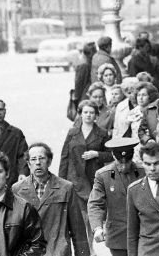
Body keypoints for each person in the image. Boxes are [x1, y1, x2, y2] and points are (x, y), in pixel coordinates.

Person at [12, 142, 89, 256]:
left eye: (42, 158)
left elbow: (78, 230)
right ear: (28, 164)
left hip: (58, 251)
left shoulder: (66, 187)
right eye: (33, 159)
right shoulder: (17, 189)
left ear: (49, 161)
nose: (38, 163)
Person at [59, 99, 112, 241]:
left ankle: (91, 242)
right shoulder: (73, 132)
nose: (88, 115)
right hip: (74, 178)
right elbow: (64, 156)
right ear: (80, 114)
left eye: (92, 112)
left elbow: (111, 154)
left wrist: (97, 154)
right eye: (85, 112)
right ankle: (86, 247)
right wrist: (61, 180)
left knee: (91, 212)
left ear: (96, 115)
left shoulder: (102, 133)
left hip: (93, 177)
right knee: (79, 214)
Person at [88, 137, 143, 256]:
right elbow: (95, 204)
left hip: (143, 235)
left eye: (127, 161)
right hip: (118, 237)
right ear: (113, 156)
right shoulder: (103, 175)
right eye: (120, 162)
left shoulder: (143, 172)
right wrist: (97, 228)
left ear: (132, 156)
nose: (123, 166)